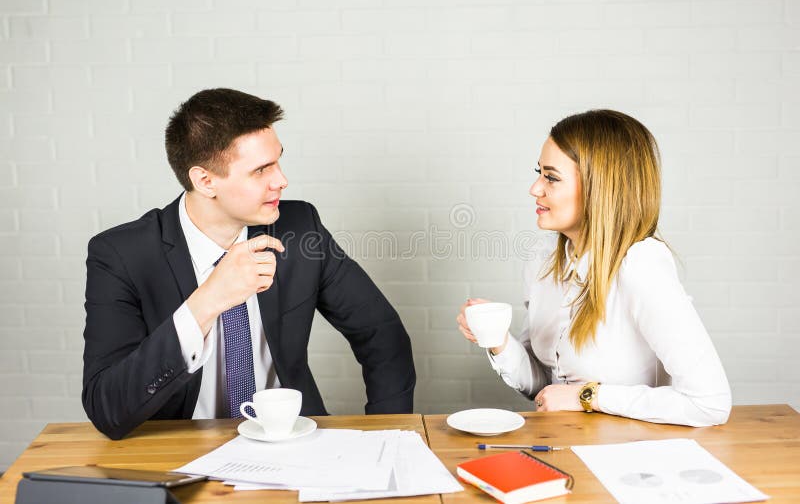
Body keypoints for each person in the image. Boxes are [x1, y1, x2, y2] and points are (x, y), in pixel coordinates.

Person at [83, 88, 415, 440]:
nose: (281, 180)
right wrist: (206, 302)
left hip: (293, 444)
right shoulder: (121, 255)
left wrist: (386, 435)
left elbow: (381, 333)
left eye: (278, 161)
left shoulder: (300, 227)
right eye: (261, 170)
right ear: (205, 181)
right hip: (177, 451)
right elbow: (108, 409)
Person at [456, 109, 731, 427]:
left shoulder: (640, 265)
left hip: (637, 458)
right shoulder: (543, 258)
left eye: (551, 177)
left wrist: (587, 396)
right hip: (568, 444)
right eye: (539, 172)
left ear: (599, 188)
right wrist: (498, 341)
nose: (535, 188)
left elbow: (710, 403)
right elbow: (544, 385)